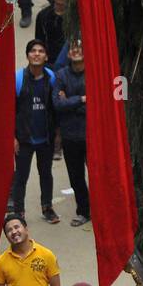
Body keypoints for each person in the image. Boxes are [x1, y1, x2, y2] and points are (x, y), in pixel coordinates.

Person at [53, 40, 89, 226]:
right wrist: (82, 99)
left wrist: (70, 102)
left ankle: (100, 210)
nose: (76, 51)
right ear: (68, 54)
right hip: (70, 135)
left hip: (91, 133)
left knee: (98, 174)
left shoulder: (93, 72)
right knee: (76, 176)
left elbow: (97, 102)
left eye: (80, 47)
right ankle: (83, 211)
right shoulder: (61, 76)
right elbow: (58, 104)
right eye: (72, 48)